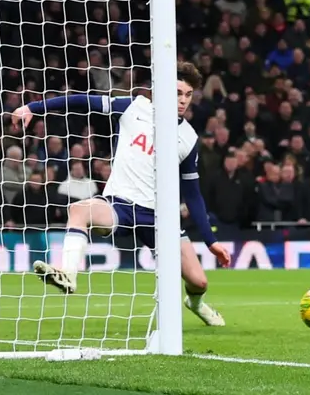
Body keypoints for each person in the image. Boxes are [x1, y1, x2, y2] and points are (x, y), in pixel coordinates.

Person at [14, 62, 232, 327]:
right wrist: (33, 108)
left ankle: (195, 304)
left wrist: (210, 241)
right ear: (161, 89)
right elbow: (82, 101)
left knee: (199, 281)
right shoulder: (134, 107)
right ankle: (68, 274)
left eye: (188, 95)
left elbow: (193, 194)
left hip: (159, 217)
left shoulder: (188, 138)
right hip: (120, 205)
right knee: (79, 210)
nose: (183, 100)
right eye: (178, 93)